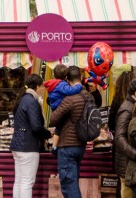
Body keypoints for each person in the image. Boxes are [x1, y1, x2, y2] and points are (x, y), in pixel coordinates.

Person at [50, 66, 93, 198]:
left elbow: (53, 119)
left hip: (67, 146)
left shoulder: (69, 98)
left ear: (67, 80)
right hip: (81, 144)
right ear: (80, 78)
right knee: (73, 181)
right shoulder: (88, 96)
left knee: (69, 183)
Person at [10, 74, 51, 198]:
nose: (43, 89)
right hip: (28, 146)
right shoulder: (32, 101)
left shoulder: (22, 99)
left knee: (19, 181)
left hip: (17, 146)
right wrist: (49, 133)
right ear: (37, 86)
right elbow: (36, 126)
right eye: (42, 85)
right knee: (27, 182)